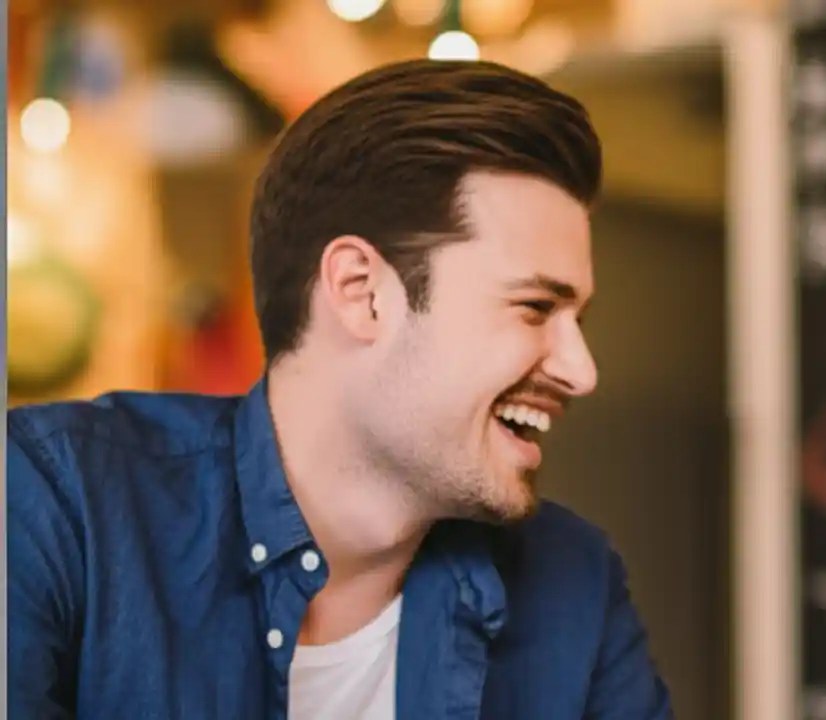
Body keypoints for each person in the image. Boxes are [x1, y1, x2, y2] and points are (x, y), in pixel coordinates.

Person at [8, 59, 673, 719]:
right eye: (533, 308)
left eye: (576, 321)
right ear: (362, 293)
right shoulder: (55, 505)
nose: (581, 371)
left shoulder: (574, 585)